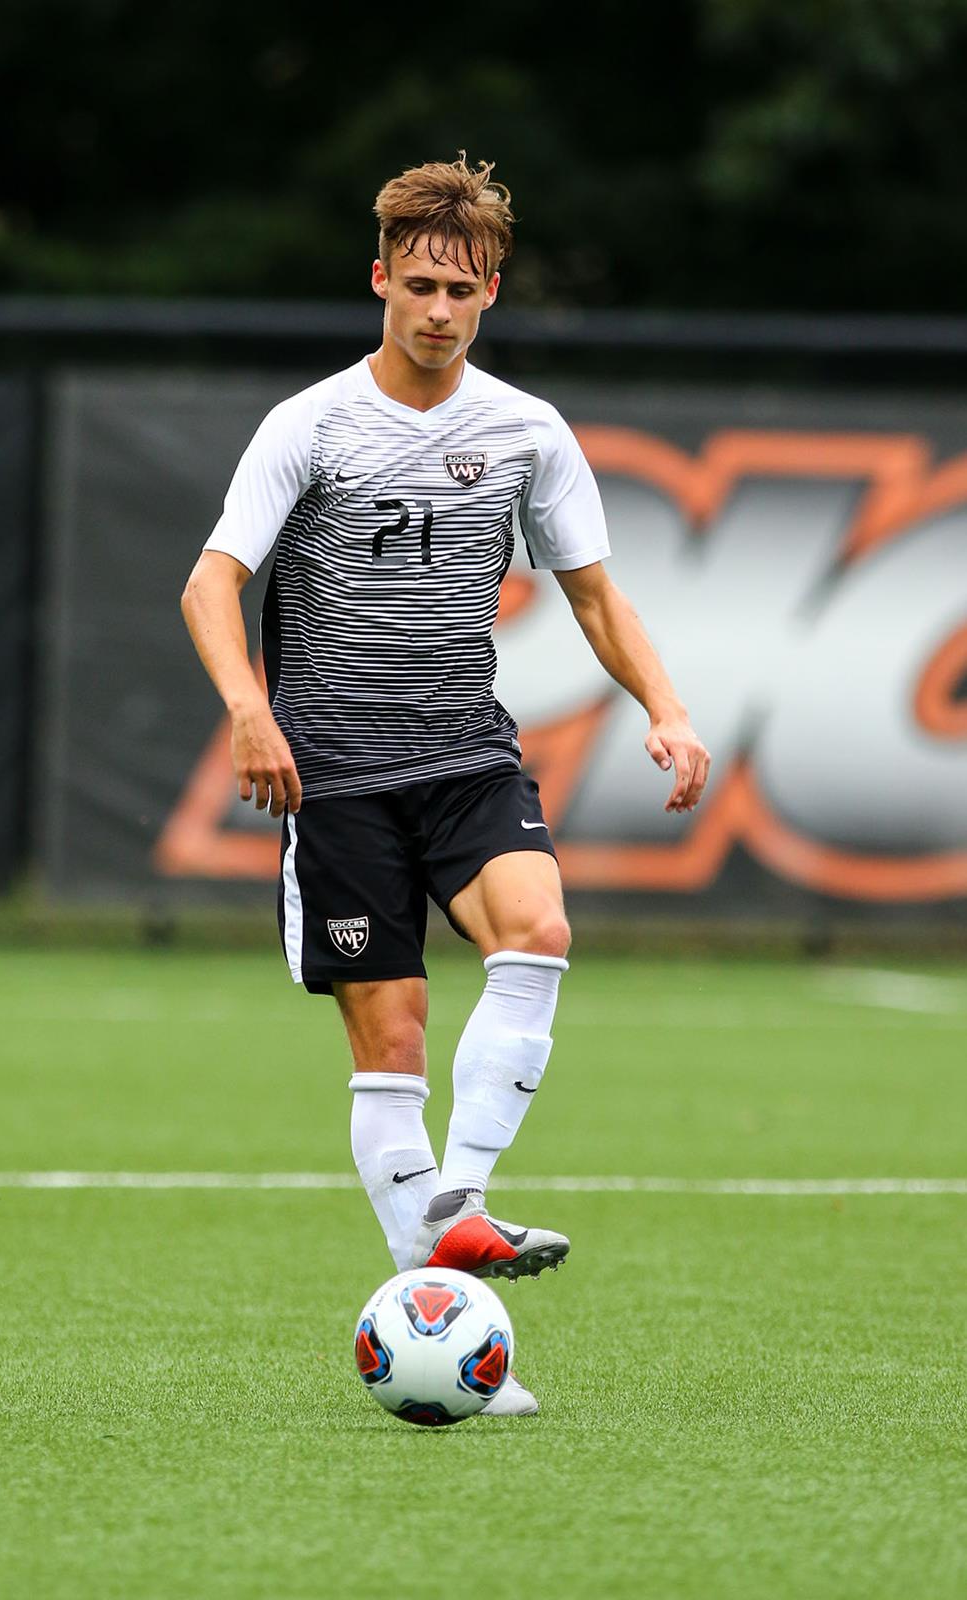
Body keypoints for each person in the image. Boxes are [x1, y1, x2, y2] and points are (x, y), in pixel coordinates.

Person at [181, 153, 710, 1416]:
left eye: (459, 289)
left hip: (465, 750)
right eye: (416, 283)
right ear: (379, 279)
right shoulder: (306, 425)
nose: (435, 307)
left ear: (489, 295)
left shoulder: (527, 431)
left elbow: (592, 593)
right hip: (337, 781)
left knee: (539, 927)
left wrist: (668, 707)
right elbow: (212, 583)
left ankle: (457, 1202)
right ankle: (442, 1309)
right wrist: (251, 715)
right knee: (395, 1040)